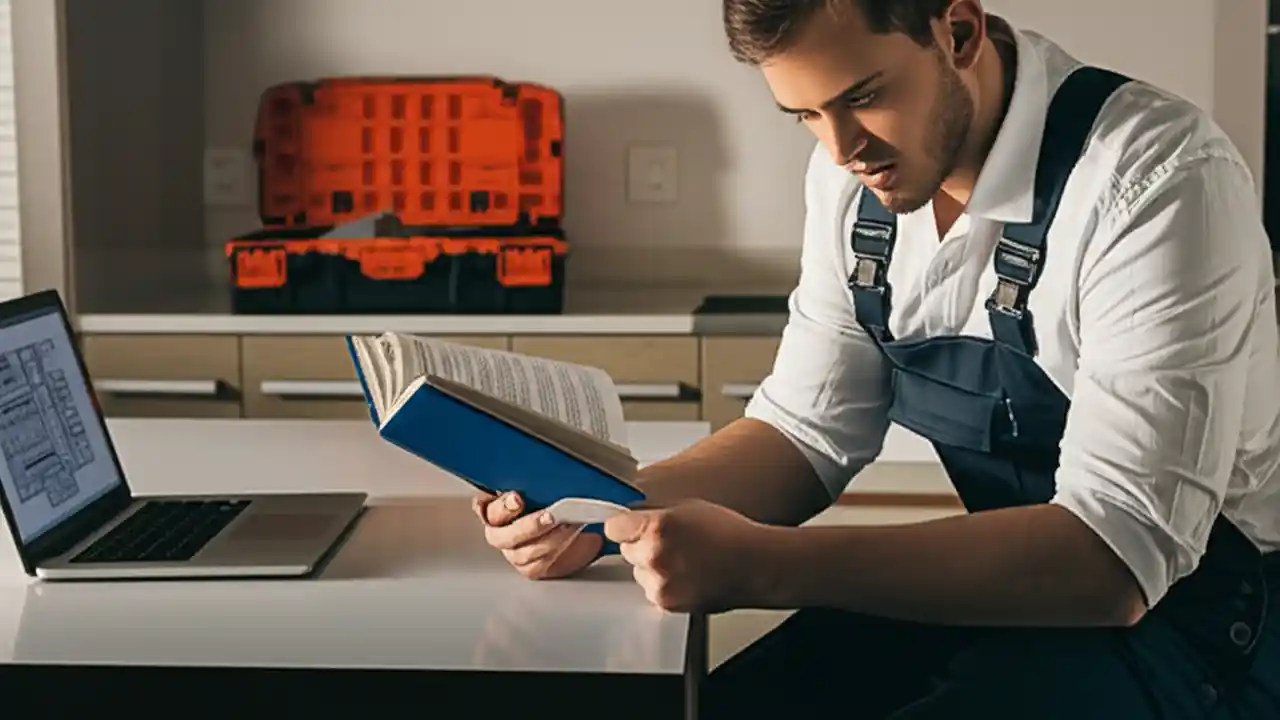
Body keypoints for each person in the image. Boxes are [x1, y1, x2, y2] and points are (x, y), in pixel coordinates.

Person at [473, 0, 1280, 716]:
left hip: (1209, 629)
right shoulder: (854, 183)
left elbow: (1115, 556)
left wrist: (768, 567)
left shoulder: (1157, 180)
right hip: (1015, 594)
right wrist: (603, 513)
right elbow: (804, 433)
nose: (842, 148)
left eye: (863, 97)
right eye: (806, 116)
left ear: (957, 31)